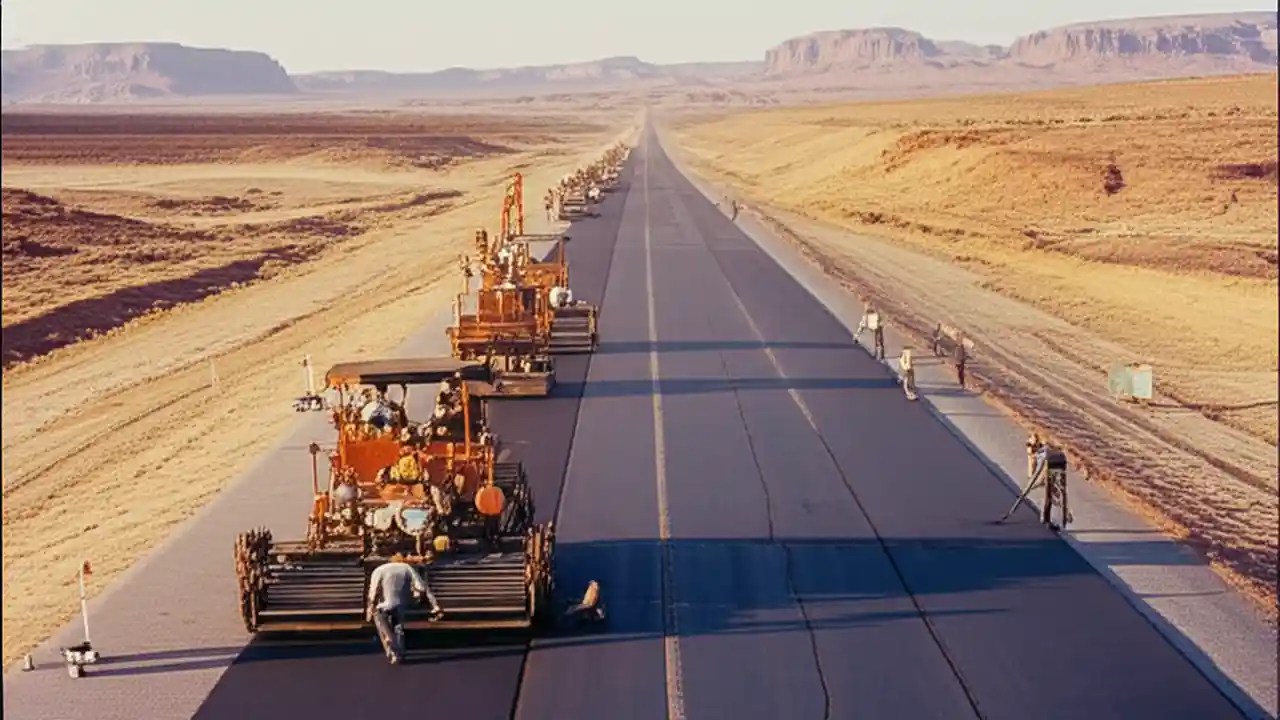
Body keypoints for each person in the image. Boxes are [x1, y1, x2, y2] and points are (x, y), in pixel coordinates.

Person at [367, 554, 443, 662]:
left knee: (380, 621)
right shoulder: (407, 568)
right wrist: (418, 597)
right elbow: (421, 587)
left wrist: (371, 607)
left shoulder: (379, 570)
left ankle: (390, 647)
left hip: (383, 605)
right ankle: (400, 652)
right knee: (398, 626)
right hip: (401, 603)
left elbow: (373, 592)